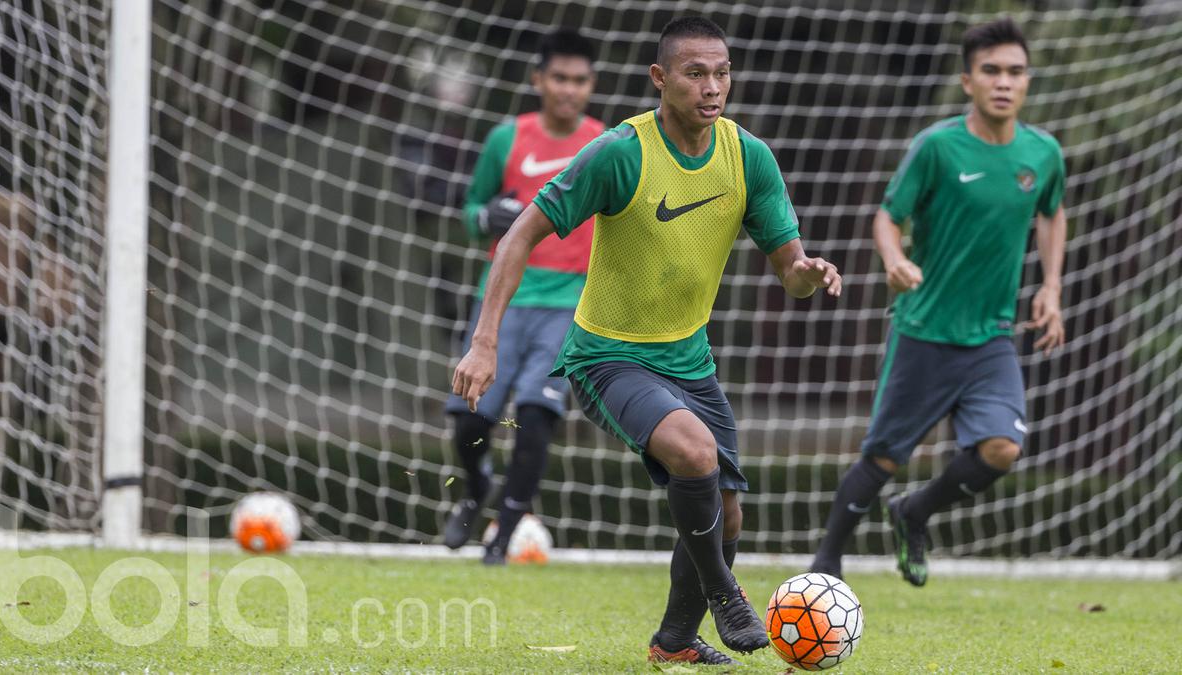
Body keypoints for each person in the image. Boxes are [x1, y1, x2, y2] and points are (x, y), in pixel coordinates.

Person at [453, 16, 842, 664]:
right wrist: (484, 341)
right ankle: (725, 591)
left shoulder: (748, 157)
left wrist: (808, 273)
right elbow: (519, 234)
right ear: (660, 78)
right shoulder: (620, 152)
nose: (712, 87)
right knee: (695, 452)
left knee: (728, 511)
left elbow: (790, 270)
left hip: (690, 361)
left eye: (722, 73)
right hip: (607, 356)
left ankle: (675, 642)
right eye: (696, 73)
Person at [809, 17, 1067, 587]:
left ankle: (914, 512)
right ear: (968, 81)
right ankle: (824, 566)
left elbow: (1052, 212)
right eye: (991, 71)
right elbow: (888, 217)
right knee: (883, 458)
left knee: (1002, 448)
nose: (1005, 82)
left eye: (1016, 72)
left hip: (991, 336)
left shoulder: (1043, 153)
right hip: (924, 329)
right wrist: (893, 259)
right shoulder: (937, 147)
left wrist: (1051, 286)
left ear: (1028, 80)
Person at [442, 29, 604, 565]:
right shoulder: (505, 139)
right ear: (539, 80)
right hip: (503, 301)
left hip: (570, 303)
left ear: (591, 85)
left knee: (535, 417)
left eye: (579, 80)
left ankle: (503, 536)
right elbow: (471, 209)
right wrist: (484, 217)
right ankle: (475, 488)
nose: (568, 89)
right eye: (559, 77)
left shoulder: (605, 145)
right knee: (471, 419)